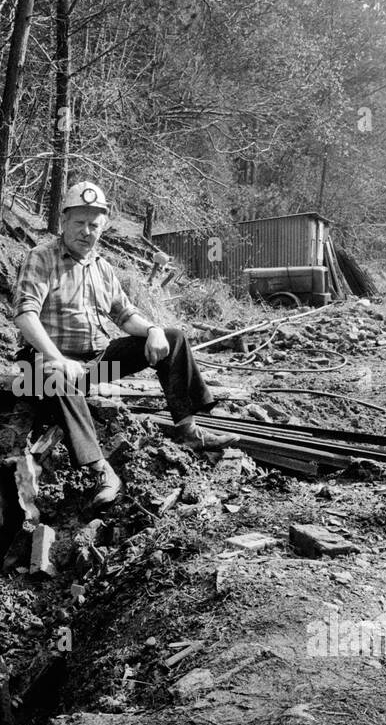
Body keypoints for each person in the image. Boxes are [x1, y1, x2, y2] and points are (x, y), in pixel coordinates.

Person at [12, 180, 232, 508]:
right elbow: (25, 315)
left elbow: (125, 315)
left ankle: (188, 429)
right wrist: (55, 356)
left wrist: (154, 328)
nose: (87, 232)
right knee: (56, 376)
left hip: (94, 365)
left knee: (173, 337)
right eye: (79, 223)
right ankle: (101, 470)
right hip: (38, 369)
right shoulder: (41, 258)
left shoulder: (102, 268)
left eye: (94, 225)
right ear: (64, 222)